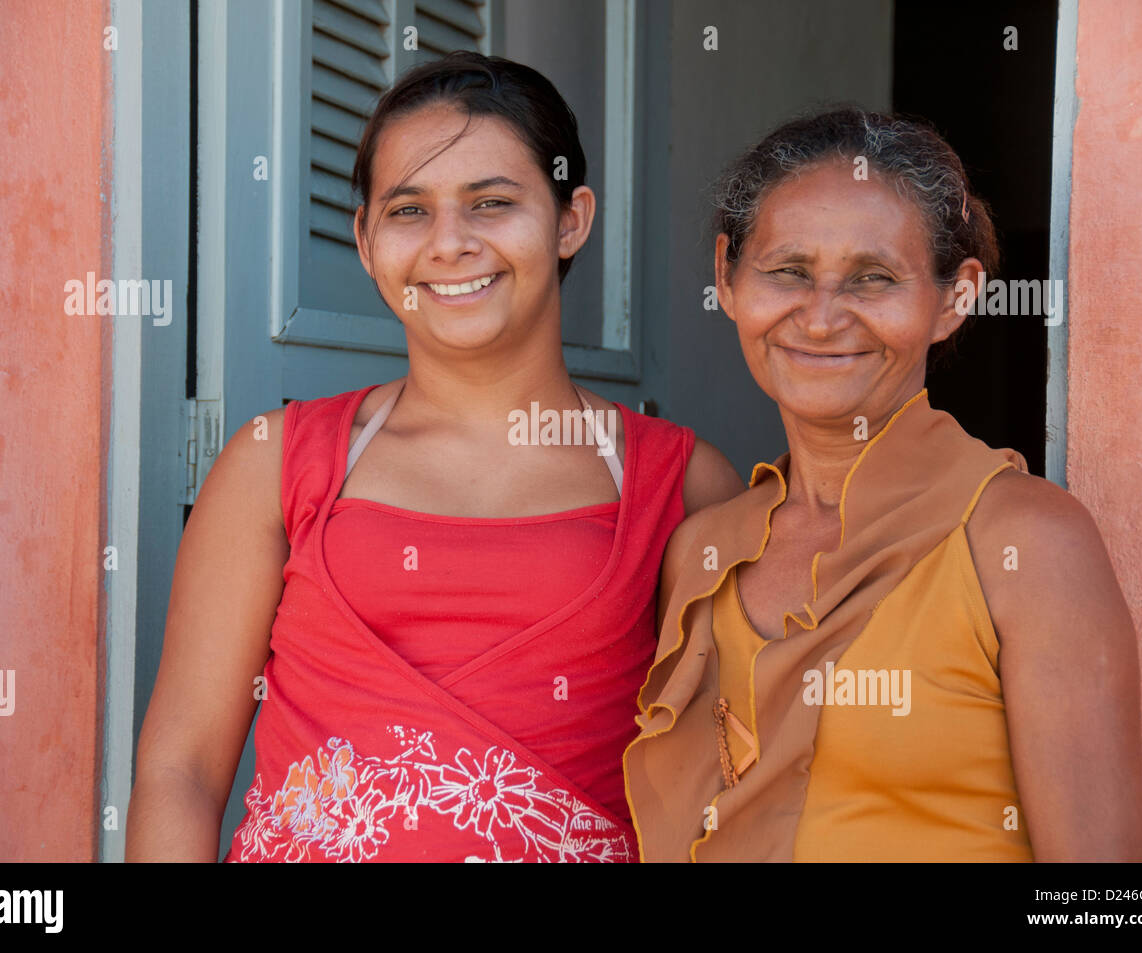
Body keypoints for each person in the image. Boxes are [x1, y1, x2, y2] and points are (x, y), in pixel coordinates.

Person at [125, 51, 740, 863]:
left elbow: (726, 791)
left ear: (571, 219)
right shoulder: (278, 464)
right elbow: (182, 770)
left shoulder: (683, 484)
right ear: (367, 240)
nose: (450, 244)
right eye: (409, 210)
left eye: (492, 202)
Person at [623, 108, 1142, 862]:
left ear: (955, 297)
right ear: (726, 279)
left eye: (873, 278)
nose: (823, 316)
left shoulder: (1024, 542)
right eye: (788, 272)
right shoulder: (704, 552)